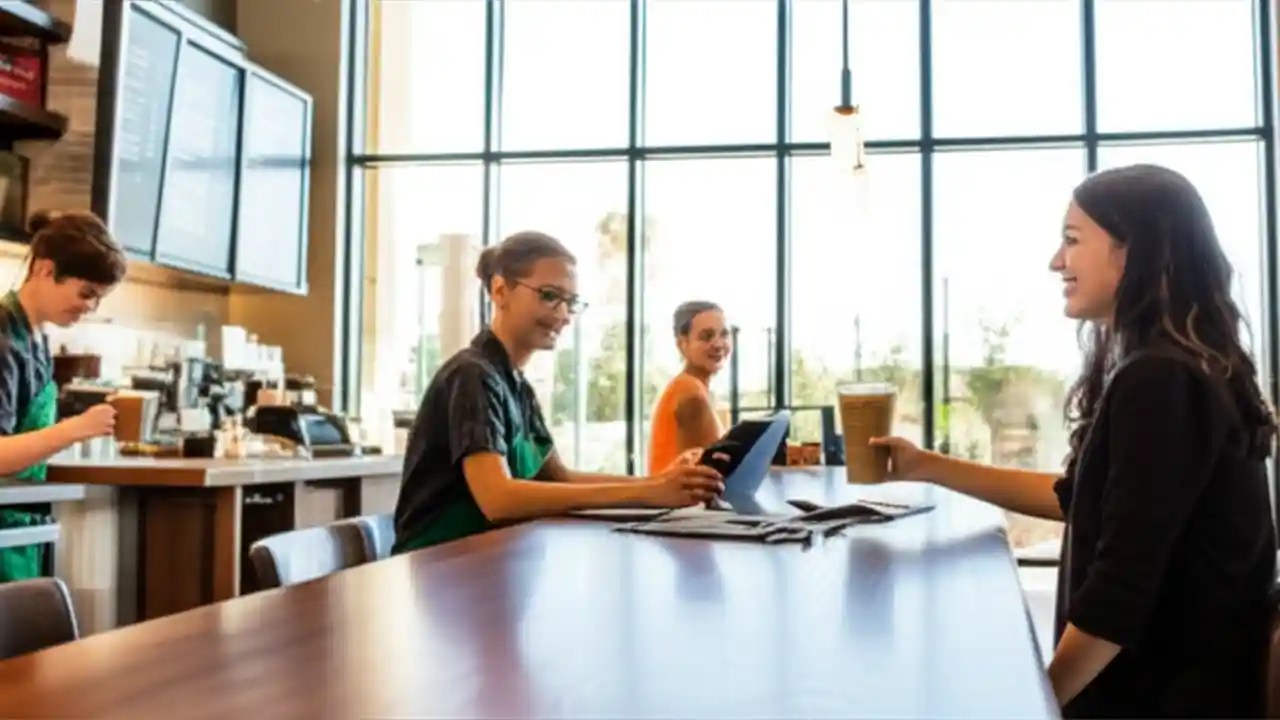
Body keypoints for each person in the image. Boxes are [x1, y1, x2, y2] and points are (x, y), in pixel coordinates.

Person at [872, 164, 1276, 718]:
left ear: (1135, 249)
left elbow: (1120, 591)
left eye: (1071, 240)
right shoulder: (1190, 367)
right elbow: (1081, 497)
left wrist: (1038, 704)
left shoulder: (1158, 379)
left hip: (1163, 697)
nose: (1056, 261)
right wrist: (925, 465)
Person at [392, 231, 724, 553]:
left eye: (570, 302)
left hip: (487, 558)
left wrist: (658, 484)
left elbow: (559, 477)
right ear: (500, 291)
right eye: (549, 296)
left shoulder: (516, 385)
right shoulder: (472, 375)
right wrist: (650, 491)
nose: (563, 315)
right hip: (438, 567)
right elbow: (498, 499)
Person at [0, 210, 126, 582]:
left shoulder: (36, 339)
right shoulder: (5, 342)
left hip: (17, 524)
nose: (90, 307)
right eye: (86, 293)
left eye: (99, 299)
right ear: (44, 270)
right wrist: (76, 429)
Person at [648, 301, 731, 473]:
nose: (718, 344)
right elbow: (718, 473)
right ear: (682, 344)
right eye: (706, 336)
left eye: (724, 334)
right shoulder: (691, 394)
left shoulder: (692, 388)